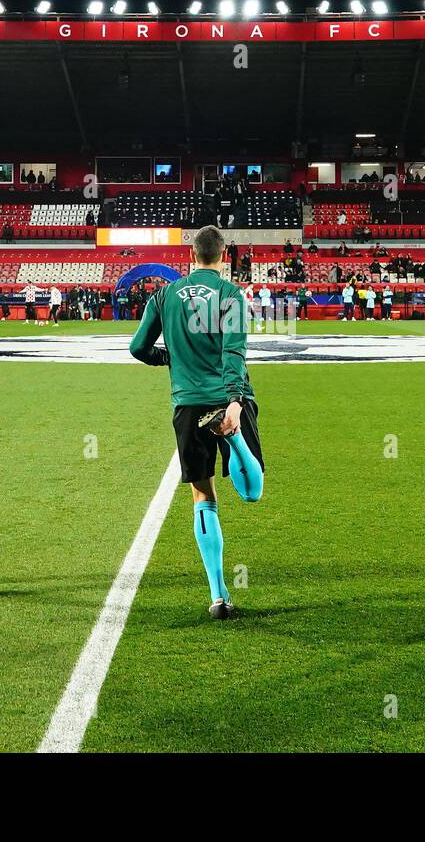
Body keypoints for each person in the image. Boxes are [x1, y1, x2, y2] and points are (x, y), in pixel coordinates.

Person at [129, 225, 264, 620]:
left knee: (203, 498)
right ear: (224, 257)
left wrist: (170, 358)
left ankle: (219, 596)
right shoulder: (230, 294)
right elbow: (234, 350)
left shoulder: (164, 294)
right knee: (252, 493)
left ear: (192, 257)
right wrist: (235, 402)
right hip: (227, 397)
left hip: (188, 405)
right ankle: (234, 439)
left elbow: (138, 347)